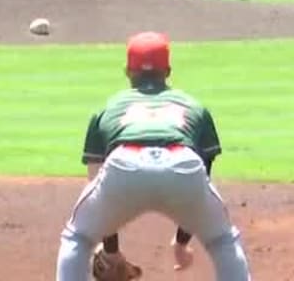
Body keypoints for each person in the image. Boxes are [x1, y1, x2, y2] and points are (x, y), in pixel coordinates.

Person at [55, 31, 253, 281]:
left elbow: (97, 185)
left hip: (124, 164)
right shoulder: (194, 107)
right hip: (183, 164)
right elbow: (202, 181)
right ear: (167, 71)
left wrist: (111, 252)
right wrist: (181, 243)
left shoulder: (107, 108)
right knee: (222, 239)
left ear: (128, 72)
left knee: (78, 237)